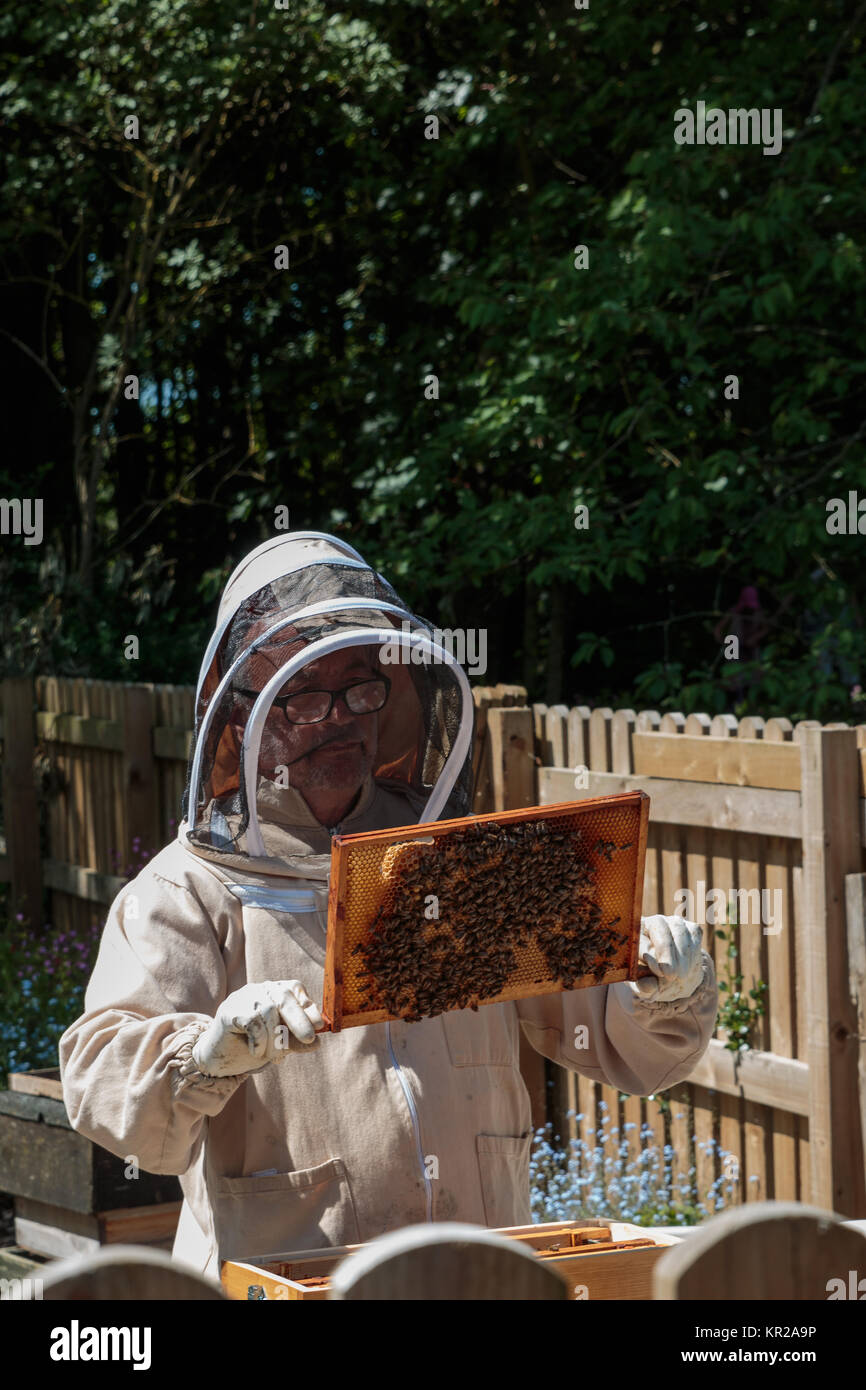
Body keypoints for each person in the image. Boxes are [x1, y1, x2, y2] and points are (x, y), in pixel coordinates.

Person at [59, 531, 718, 1280]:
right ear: (241, 710)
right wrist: (210, 1052)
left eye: (359, 687)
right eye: (304, 694)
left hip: (482, 1283)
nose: (337, 716)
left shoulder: (460, 869)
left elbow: (606, 1036)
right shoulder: (186, 893)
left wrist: (664, 988)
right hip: (291, 1287)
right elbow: (106, 1086)